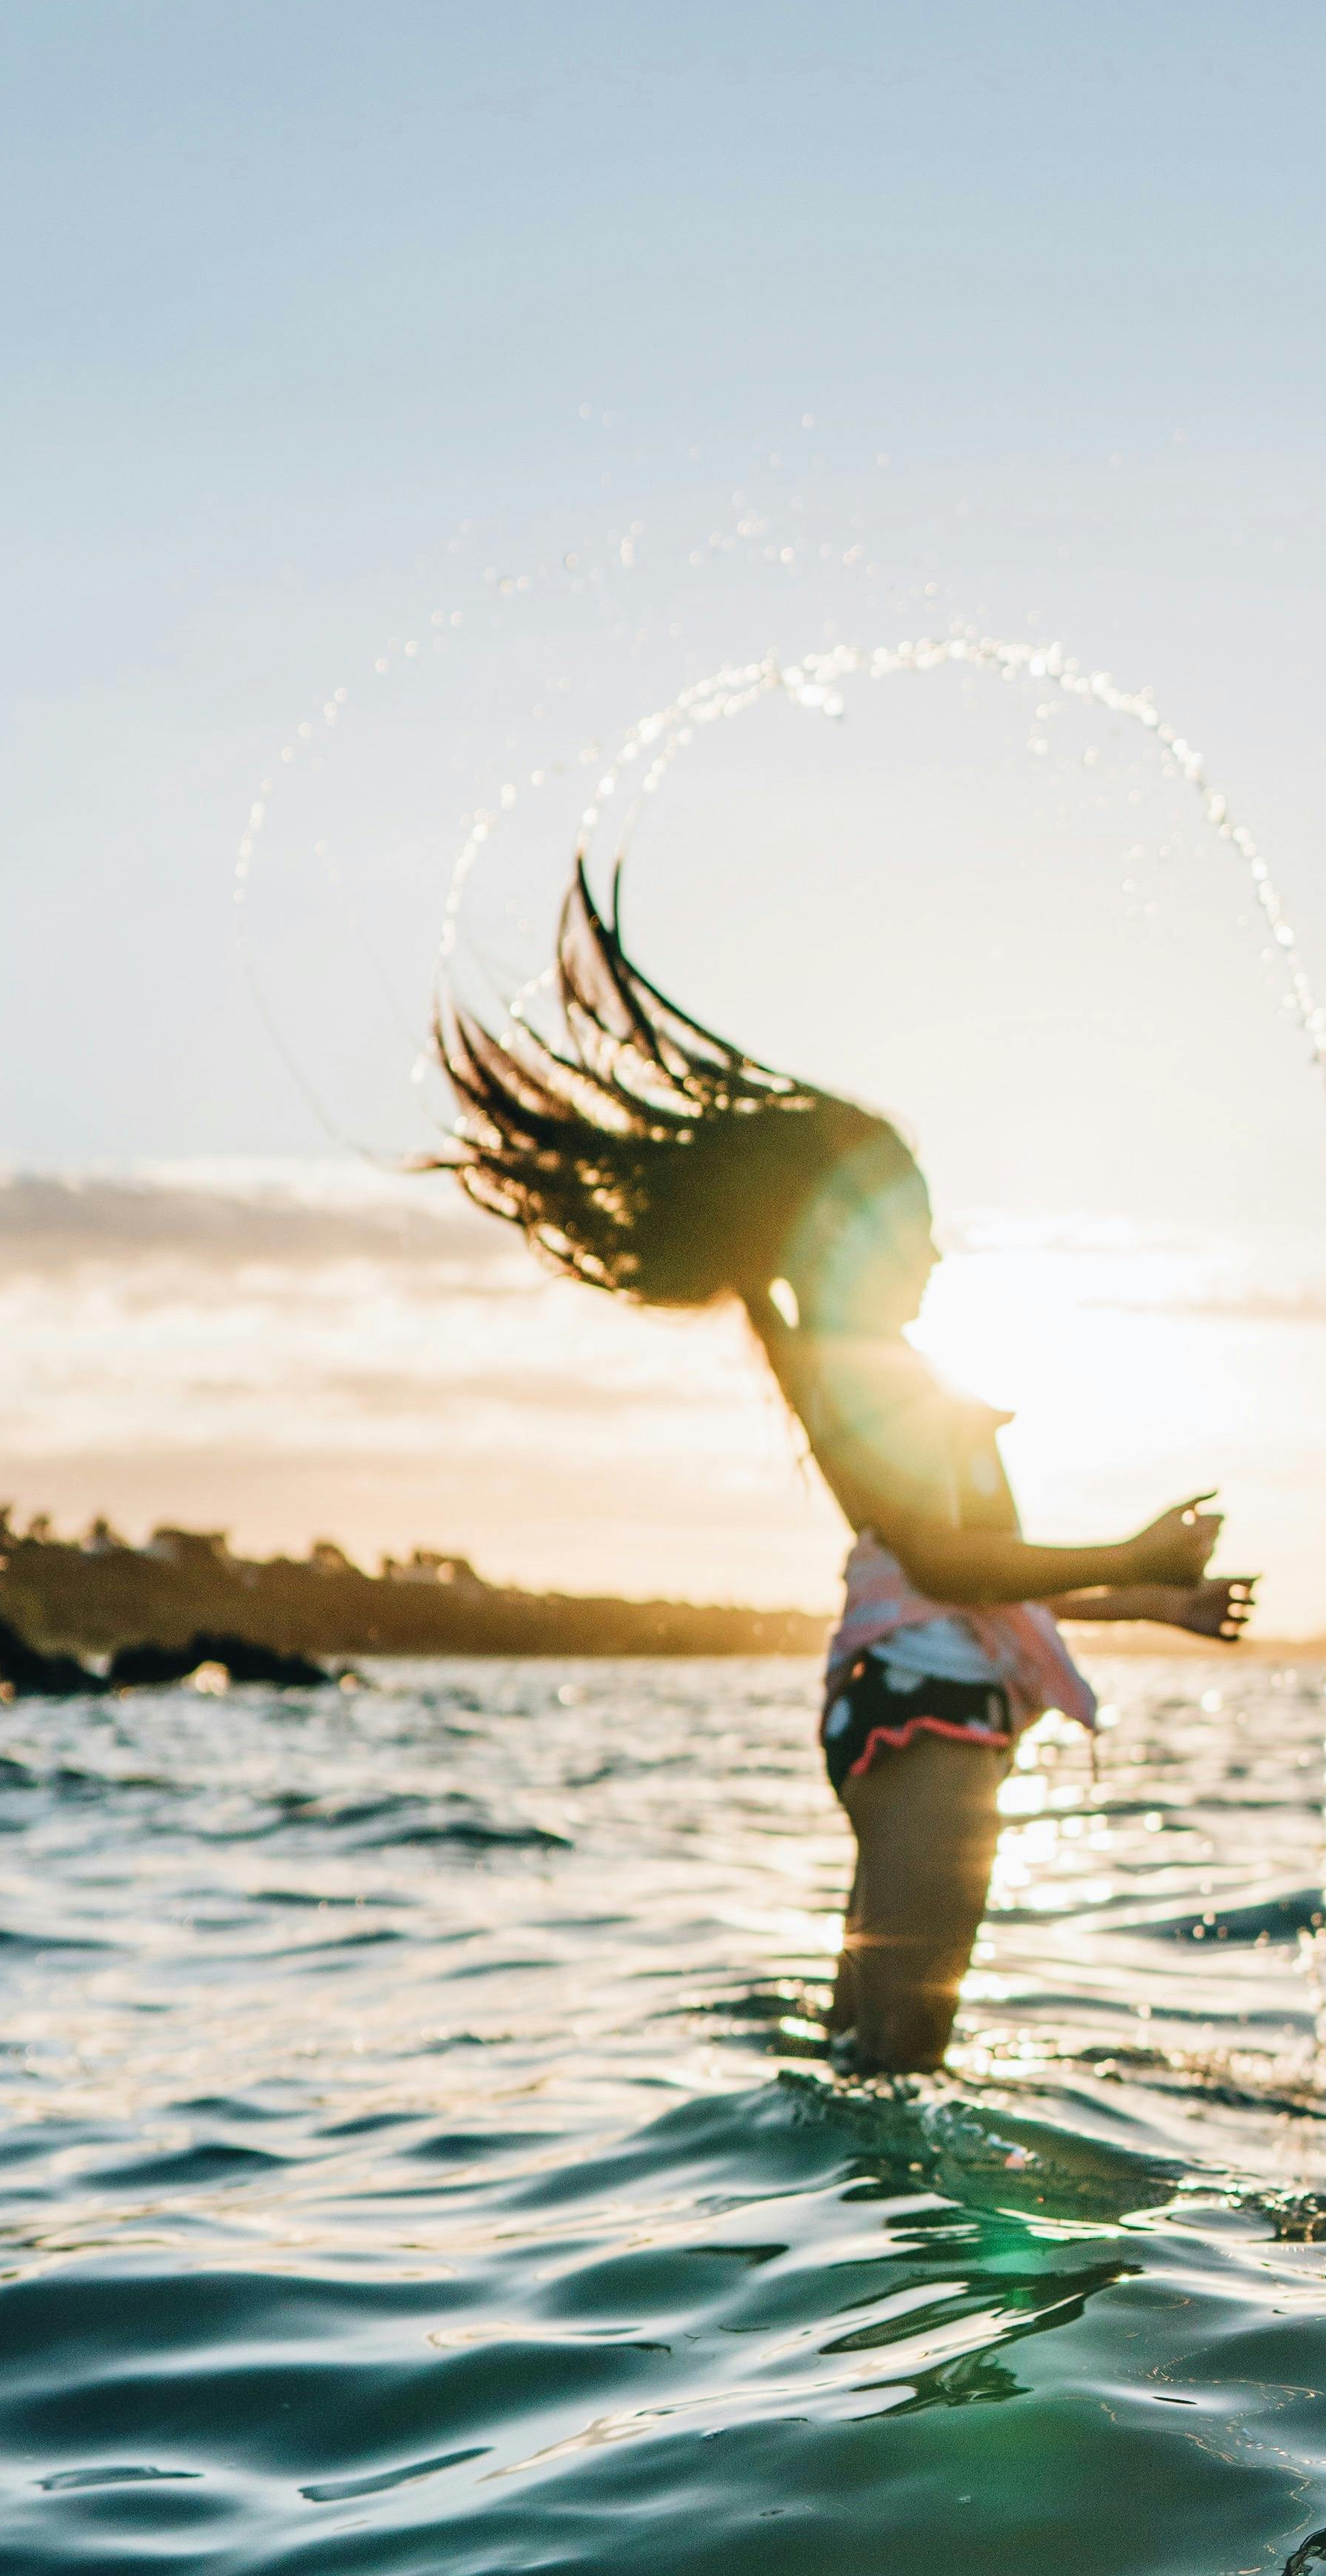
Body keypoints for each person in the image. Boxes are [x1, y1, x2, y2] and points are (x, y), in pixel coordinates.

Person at [437, 860, 1255, 2069]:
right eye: (913, 1225)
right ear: (851, 1242)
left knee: (862, 2046)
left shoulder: (865, 1372)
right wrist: (1133, 1550)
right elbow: (946, 1564)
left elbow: (981, 1585)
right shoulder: (861, 1379)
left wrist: (1153, 1602)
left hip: (909, 1707)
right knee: (905, 2058)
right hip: (927, 1721)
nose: (936, 1250)